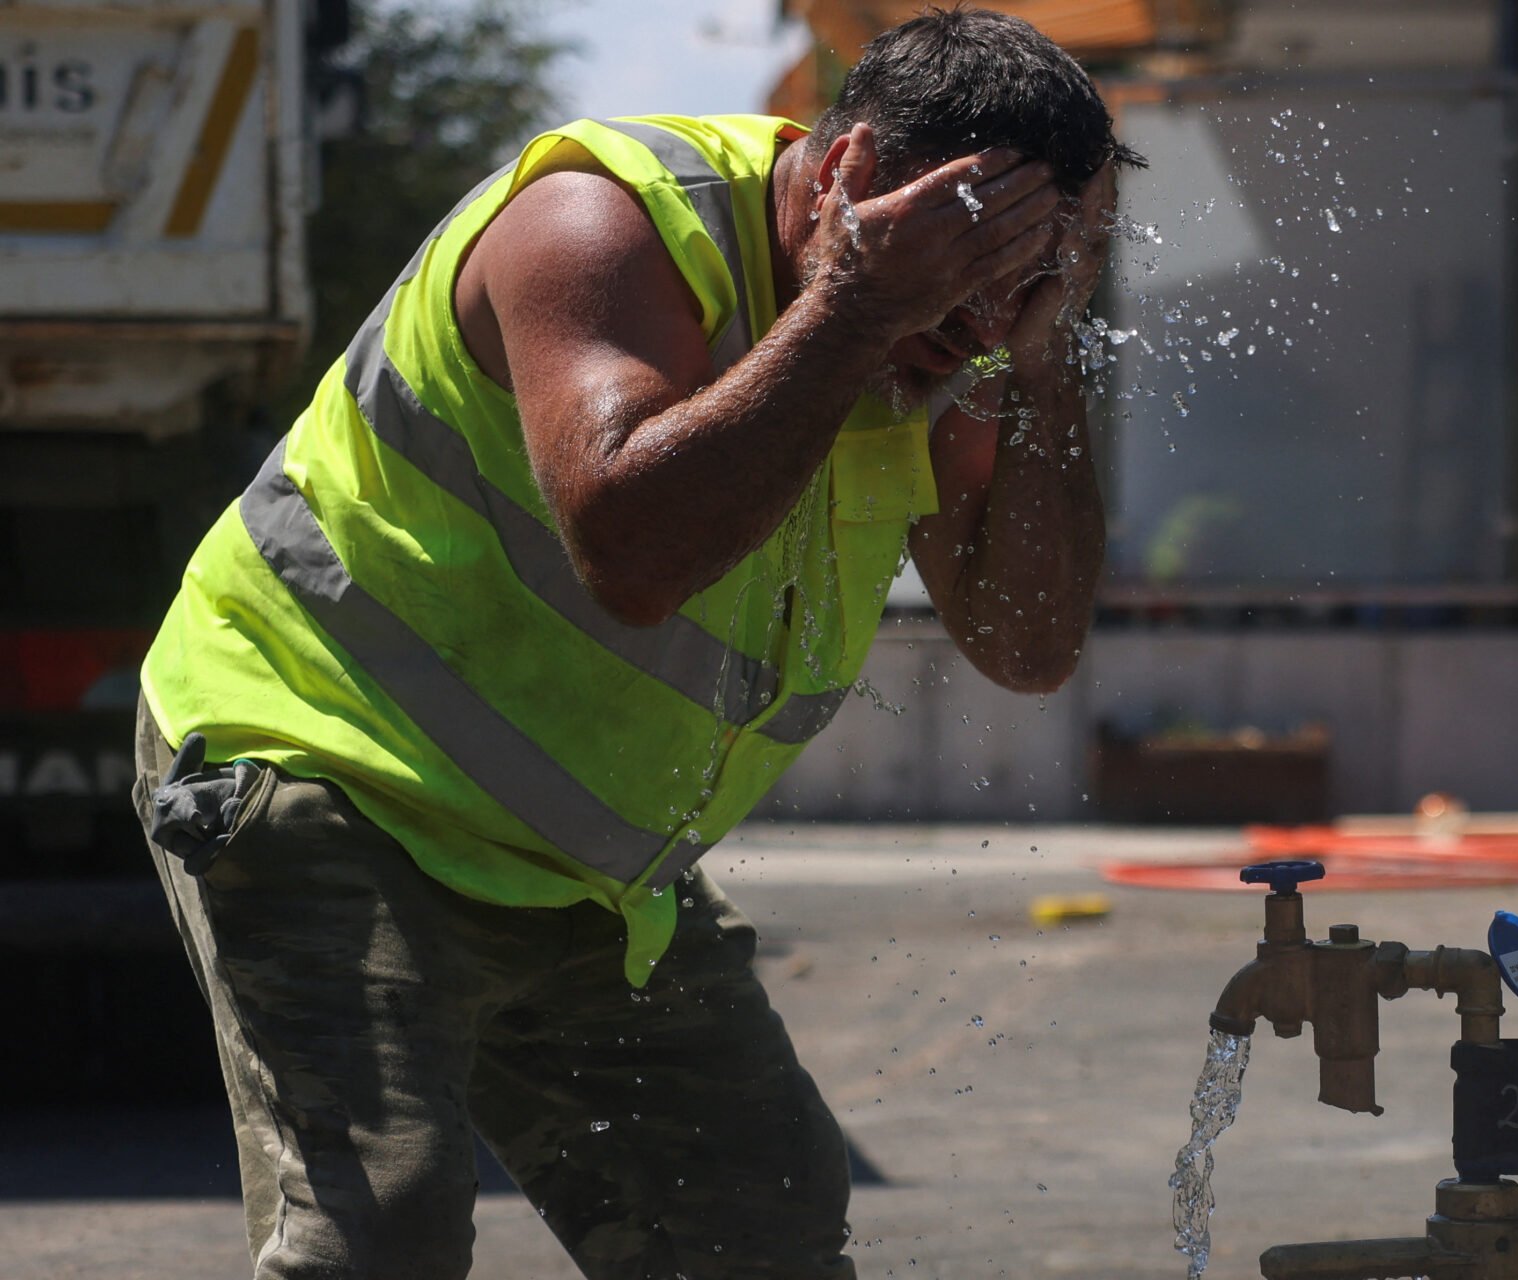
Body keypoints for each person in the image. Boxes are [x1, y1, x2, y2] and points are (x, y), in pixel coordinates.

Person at [131, 8, 1143, 1278]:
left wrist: (1045, 363)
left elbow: (1027, 641)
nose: (978, 308)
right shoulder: (604, 223)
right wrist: (854, 307)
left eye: (1026, 268)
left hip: (577, 865)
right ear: (843, 176)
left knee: (752, 1212)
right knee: (379, 1227)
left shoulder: (954, 334)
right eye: (963, 254)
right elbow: (633, 551)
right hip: (330, 765)